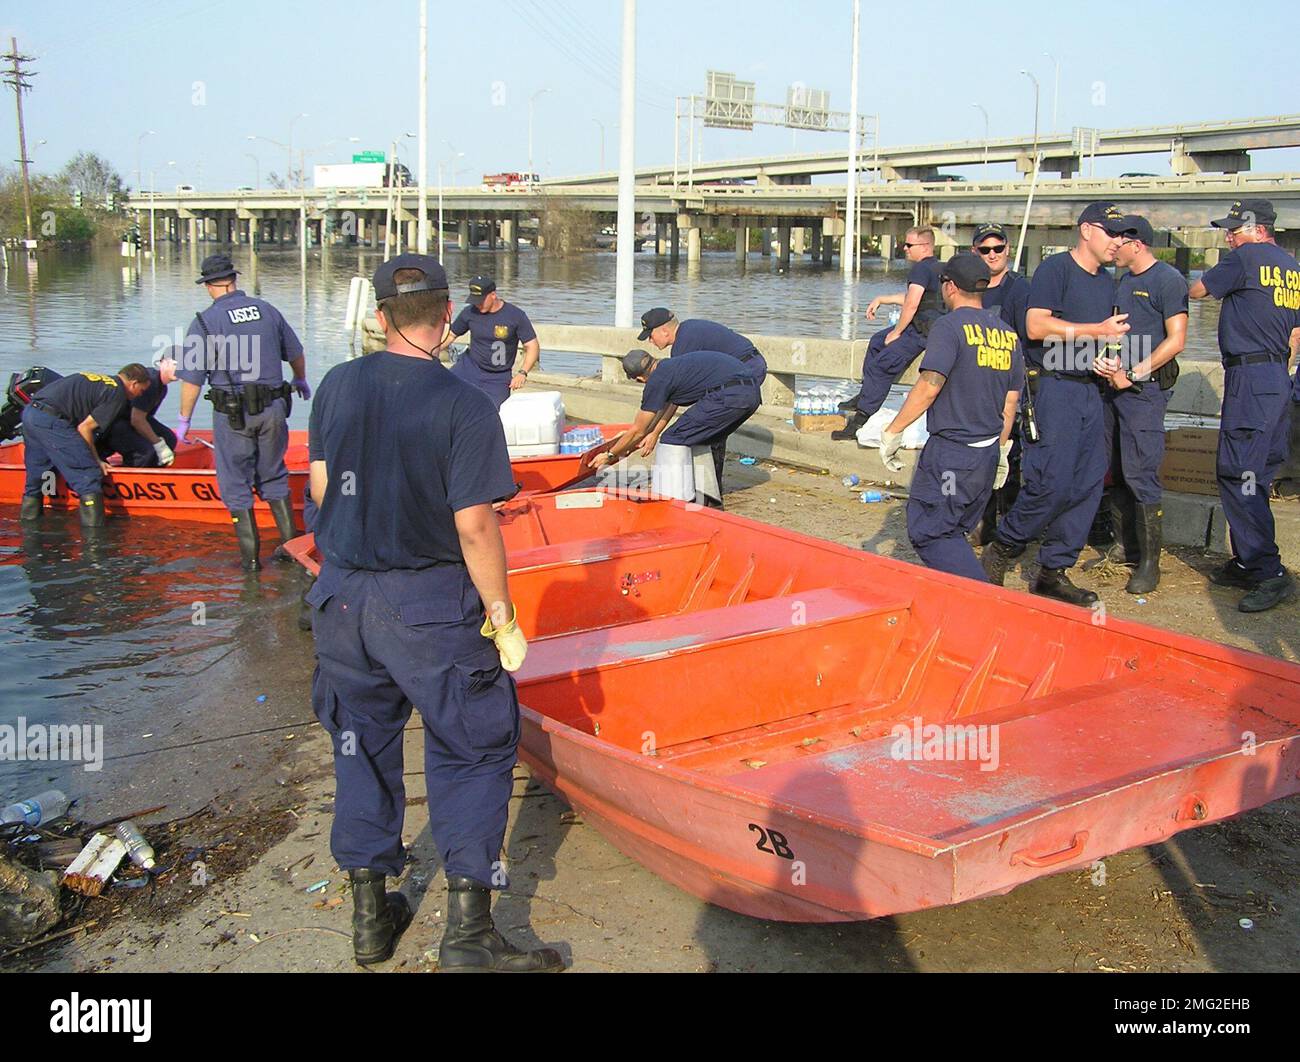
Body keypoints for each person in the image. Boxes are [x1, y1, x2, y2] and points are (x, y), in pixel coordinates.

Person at [306, 252, 562, 972]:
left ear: (380, 317)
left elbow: (324, 487)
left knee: (361, 744)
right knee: (473, 751)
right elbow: (475, 525)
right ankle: (468, 941)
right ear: (446, 317)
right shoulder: (463, 404)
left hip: (345, 597)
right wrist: (502, 613)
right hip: (429, 604)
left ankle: (370, 921)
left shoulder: (336, 385)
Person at [981, 202, 1131, 605]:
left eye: (1123, 235)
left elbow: (1099, 338)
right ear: (1086, 230)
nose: (1119, 242)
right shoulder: (1056, 270)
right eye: (1111, 233)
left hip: (1089, 387)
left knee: (1087, 482)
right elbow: (1036, 325)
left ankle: (1053, 571)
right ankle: (1003, 548)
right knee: (1051, 481)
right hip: (1053, 389)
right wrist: (1094, 330)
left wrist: (1107, 356)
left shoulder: (1107, 282)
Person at [878, 253, 1023, 580]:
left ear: (951, 287)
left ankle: (983, 599)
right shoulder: (1007, 334)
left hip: (952, 457)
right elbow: (1010, 402)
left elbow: (929, 385)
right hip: (985, 455)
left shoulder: (948, 327)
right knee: (955, 529)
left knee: (930, 532)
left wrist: (893, 431)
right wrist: (1000, 451)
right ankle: (961, 601)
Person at [1189, 198, 1300, 612]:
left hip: (1249, 380)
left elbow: (1196, 290)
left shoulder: (1245, 258)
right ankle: (1246, 559)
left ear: (1258, 229)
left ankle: (1268, 570)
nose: (1228, 235)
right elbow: (1295, 335)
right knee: (1260, 472)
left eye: (1234, 228)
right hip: (1276, 379)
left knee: (1239, 473)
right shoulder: (1291, 267)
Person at [174, 254, 310, 570]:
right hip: (274, 410)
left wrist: (184, 420)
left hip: (233, 416)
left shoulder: (206, 322)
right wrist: (300, 379)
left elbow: (192, 379)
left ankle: (250, 566)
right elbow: (296, 352)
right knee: (274, 476)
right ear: (234, 280)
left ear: (209, 285)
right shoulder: (267, 310)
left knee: (236, 487)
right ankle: (294, 557)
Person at [1091, 214, 1188, 594]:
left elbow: (1176, 341)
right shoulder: (1124, 280)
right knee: (1115, 467)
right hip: (1115, 387)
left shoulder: (1168, 279)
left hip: (1143, 392)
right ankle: (1124, 545)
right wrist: (1105, 358)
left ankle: (1150, 563)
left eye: (1119, 240)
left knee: (1141, 472)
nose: (1112, 246)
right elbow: (1118, 331)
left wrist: (1132, 374)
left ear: (1138, 243)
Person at [594, 348, 762, 508]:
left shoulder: (657, 380)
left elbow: (638, 430)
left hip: (728, 395)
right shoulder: (670, 367)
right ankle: (709, 499)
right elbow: (663, 409)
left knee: (672, 440)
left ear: (640, 379)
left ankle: (673, 499)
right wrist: (649, 435)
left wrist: (609, 455)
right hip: (751, 393)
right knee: (700, 439)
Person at [833, 226, 945, 441]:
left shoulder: (920, 269)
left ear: (925, 246)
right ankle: (865, 394)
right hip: (930, 327)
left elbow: (912, 304)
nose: (904, 248)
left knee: (881, 365)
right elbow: (921, 298)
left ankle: (860, 420)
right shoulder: (939, 268)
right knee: (876, 341)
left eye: (909, 245)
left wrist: (897, 331)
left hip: (921, 332)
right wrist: (883, 299)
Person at [19, 365, 151, 527]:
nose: (139, 395)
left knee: (36, 479)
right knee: (88, 475)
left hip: (31, 413)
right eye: (142, 391)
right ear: (134, 384)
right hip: (52, 420)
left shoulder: (102, 381)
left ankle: (29, 529)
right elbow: (85, 428)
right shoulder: (118, 393)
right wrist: (96, 460)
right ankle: (95, 539)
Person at [969, 223, 1031, 545]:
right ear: (974, 252)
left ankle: (1008, 530)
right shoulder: (969, 287)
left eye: (998, 247)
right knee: (979, 455)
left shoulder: (1020, 288)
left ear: (1008, 249)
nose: (992, 254)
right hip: (975, 389)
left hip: (1009, 387)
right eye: (985, 249)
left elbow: (1028, 339)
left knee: (1009, 456)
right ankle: (981, 521)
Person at [636, 308, 768, 457]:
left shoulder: (683, 345)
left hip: (747, 368)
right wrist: (649, 430)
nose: (650, 341)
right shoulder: (687, 330)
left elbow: (673, 399)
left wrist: (654, 433)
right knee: (711, 425)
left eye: (651, 336)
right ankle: (711, 475)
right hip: (748, 366)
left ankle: (704, 472)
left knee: (710, 421)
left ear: (664, 331)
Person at [435, 275, 539, 408]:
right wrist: (432, 352)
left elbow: (532, 345)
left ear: (493, 295)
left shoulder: (515, 316)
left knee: (491, 412)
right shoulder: (470, 313)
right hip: (470, 367)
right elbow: (451, 336)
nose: (477, 304)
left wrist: (522, 373)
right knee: (442, 392)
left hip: (498, 376)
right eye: (474, 300)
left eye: (481, 300)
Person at [97, 350, 179, 468]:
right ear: (163, 363)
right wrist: (158, 444)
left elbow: (146, 417)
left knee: (169, 438)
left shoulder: (162, 389)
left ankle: (154, 471)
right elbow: (137, 419)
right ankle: (132, 475)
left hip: (129, 420)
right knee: (144, 452)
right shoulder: (151, 382)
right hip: (114, 422)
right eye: (176, 364)